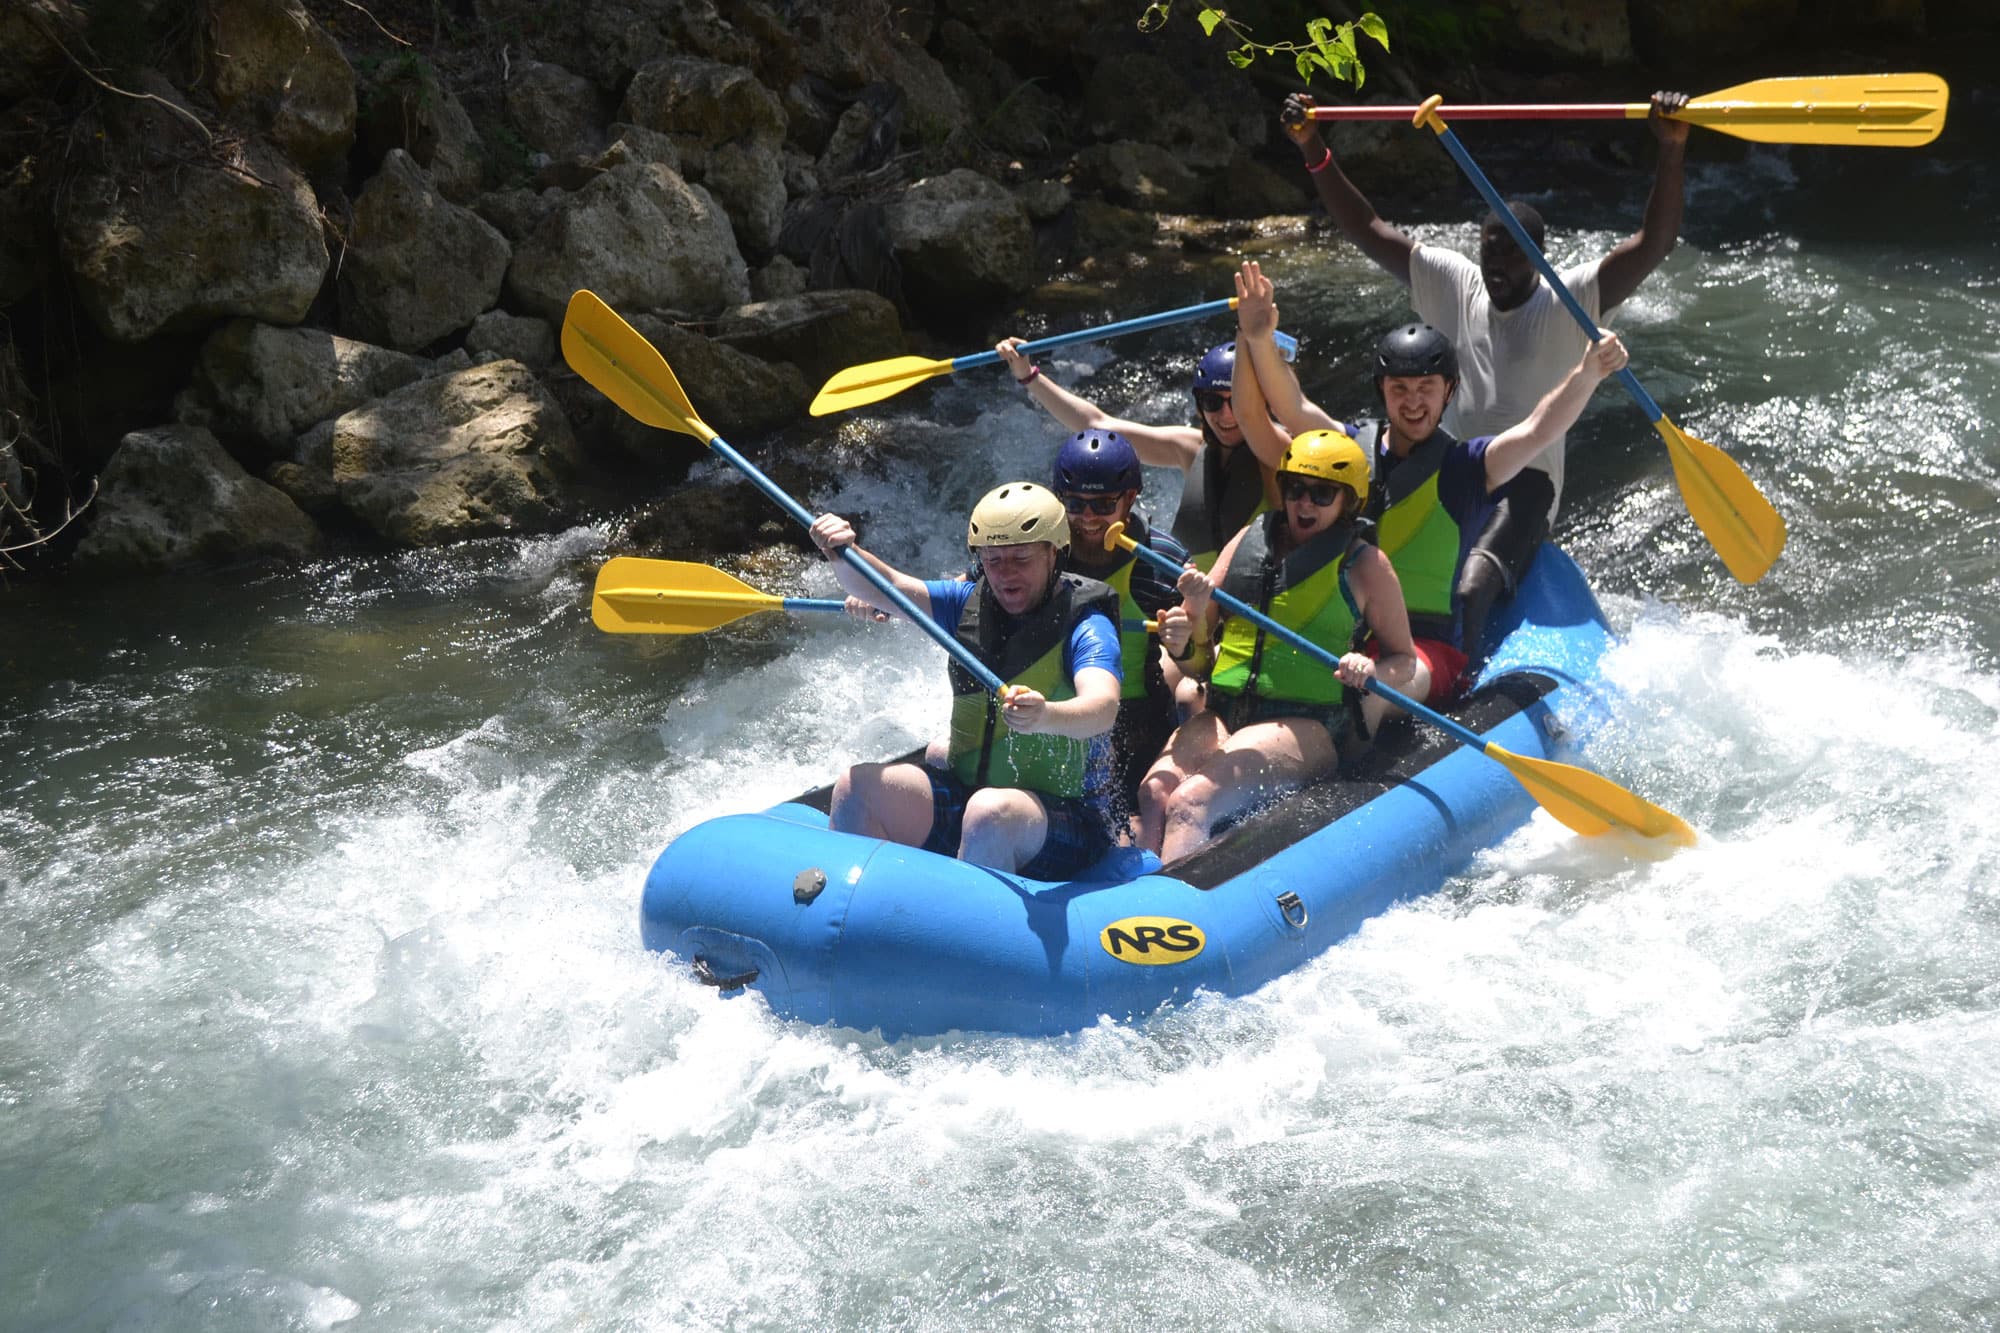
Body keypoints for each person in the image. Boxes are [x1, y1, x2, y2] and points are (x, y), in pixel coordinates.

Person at [1278, 87, 1689, 630]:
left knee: (1468, 591)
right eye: (1489, 249)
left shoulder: (1573, 299)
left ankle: (1448, 690)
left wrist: (1672, 147)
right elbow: (1366, 229)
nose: (1497, 265)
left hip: (1526, 483)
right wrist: (1312, 147)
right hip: (1449, 472)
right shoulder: (1456, 281)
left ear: (1539, 260)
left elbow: (1654, 243)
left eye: (1513, 253)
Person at [1237, 272, 1634, 680]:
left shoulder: (1466, 467)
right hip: (1343, 635)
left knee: (1369, 688)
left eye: (1426, 387)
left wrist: (1587, 373)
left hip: (1426, 650)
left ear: (1449, 390)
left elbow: (1537, 430)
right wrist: (1259, 339)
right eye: (1400, 389)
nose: (1413, 402)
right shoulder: (1351, 449)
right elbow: (1294, 408)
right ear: (1382, 390)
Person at [809, 482, 1123, 878]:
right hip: (970, 792)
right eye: (992, 560)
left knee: (988, 813)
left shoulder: (1087, 623)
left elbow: (1102, 707)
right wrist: (841, 553)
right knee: (856, 789)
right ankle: (856, 925)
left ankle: (952, 933)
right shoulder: (966, 602)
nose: (1005, 573)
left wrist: (1047, 715)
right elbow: (886, 587)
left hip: (1065, 818)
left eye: (1021, 558)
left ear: (1054, 554)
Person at [1141, 430, 1423, 861]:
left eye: (1322, 493)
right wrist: (1186, 631)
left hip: (1308, 724)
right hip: (1226, 709)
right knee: (1155, 794)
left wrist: (1371, 672)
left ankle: (1167, 917)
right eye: (1294, 489)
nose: (1303, 503)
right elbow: (1198, 656)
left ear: (1350, 501)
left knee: (1189, 803)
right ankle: (1124, 906)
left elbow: (1404, 660)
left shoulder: (1365, 564)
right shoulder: (1249, 540)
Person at [996, 335, 1287, 571]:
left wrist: (1257, 337)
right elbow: (1096, 424)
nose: (1226, 415)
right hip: (1193, 606)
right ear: (1199, 404)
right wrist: (1028, 375)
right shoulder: (1190, 448)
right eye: (1213, 402)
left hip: (1251, 607)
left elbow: (1295, 414)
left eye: (1236, 403)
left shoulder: (1281, 454)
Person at [1047, 428, 1190, 829]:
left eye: (1103, 503)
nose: (1088, 517)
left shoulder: (1162, 560)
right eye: (1075, 504)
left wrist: (1184, 646)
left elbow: (1203, 665)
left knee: (1128, 826)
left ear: (1129, 499)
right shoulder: (1039, 548)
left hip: (1135, 725)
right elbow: (971, 592)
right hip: (1049, 718)